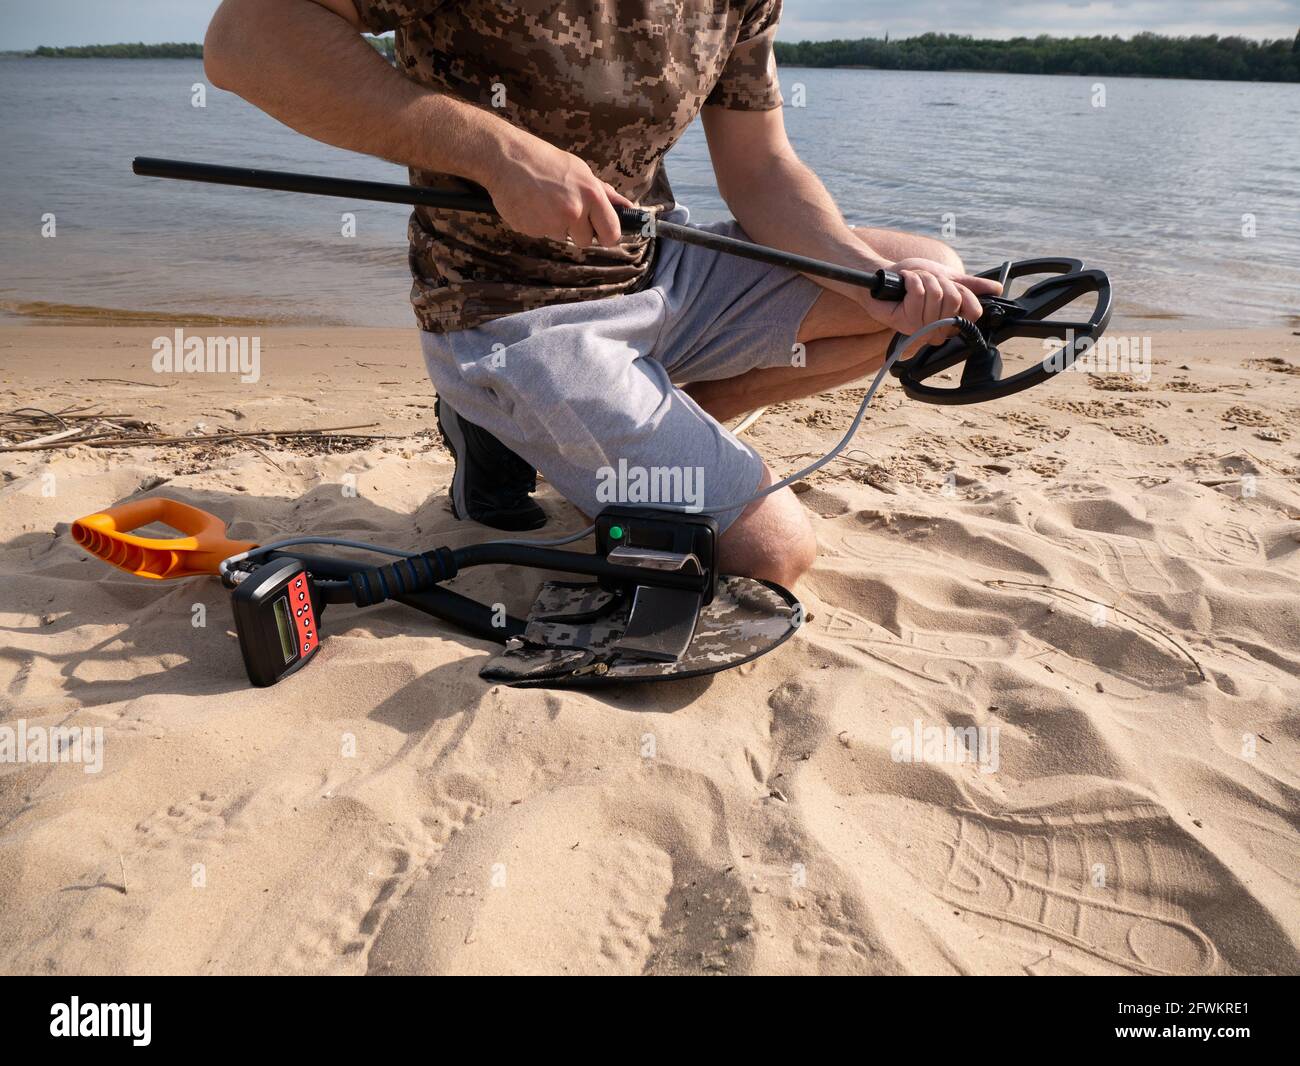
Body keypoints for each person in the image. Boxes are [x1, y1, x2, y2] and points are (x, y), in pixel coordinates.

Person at [203, 0, 999, 590]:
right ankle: (530, 424)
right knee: (772, 556)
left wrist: (874, 280)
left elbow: (761, 171)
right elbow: (242, 42)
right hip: (511, 310)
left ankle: (582, 437)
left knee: (919, 277)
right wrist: (499, 154)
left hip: (661, 268)